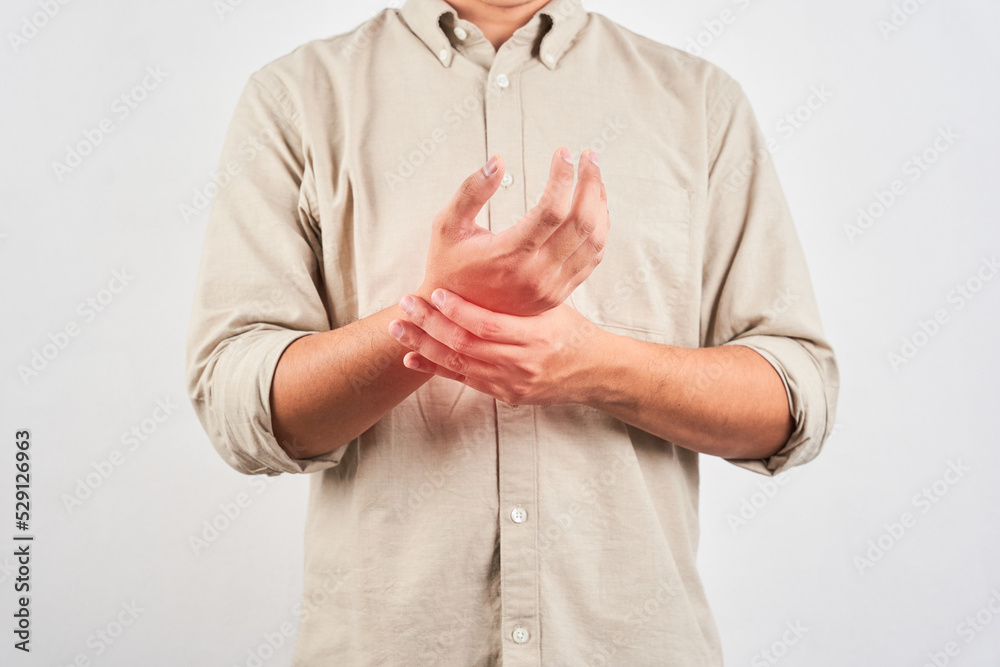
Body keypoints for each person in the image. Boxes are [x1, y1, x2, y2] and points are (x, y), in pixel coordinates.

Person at [184, 0, 839, 663]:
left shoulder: (701, 104)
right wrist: (439, 310)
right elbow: (242, 406)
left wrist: (595, 365)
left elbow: (794, 398)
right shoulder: (296, 97)